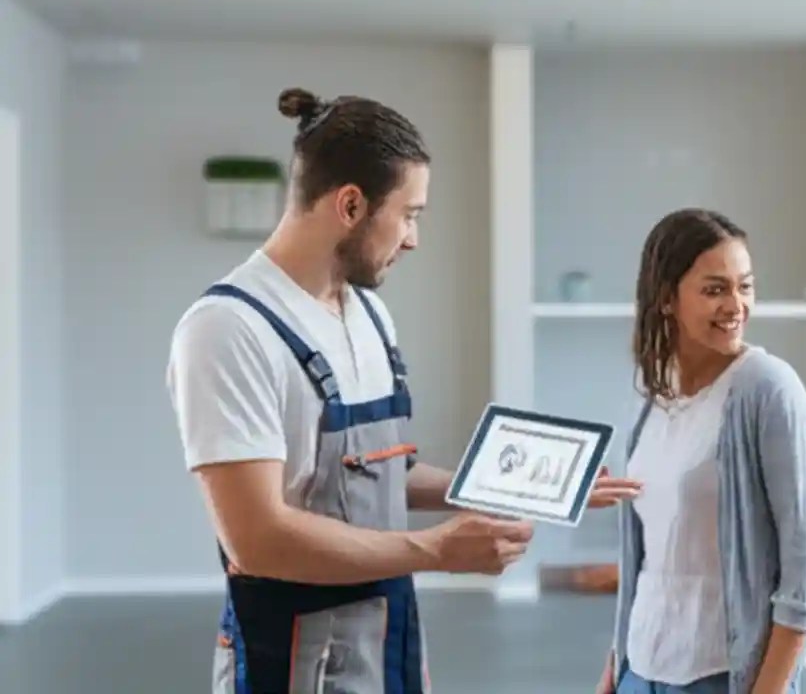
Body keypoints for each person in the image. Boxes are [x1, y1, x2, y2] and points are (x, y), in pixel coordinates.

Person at [167, 87, 641, 694]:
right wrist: (439, 551)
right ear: (350, 204)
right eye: (410, 213)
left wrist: (540, 485)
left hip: (386, 641)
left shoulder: (368, 316)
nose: (414, 237)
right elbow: (257, 539)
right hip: (290, 660)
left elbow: (383, 472)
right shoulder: (228, 329)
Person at [598, 208, 806, 694]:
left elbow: (805, 568)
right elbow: (648, 557)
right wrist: (615, 667)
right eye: (714, 289)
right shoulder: (649, 390)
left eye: (744, 286)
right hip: (639, 668)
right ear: (666, 298)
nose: (736, 304)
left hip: (719, 675)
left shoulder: (768, 389)